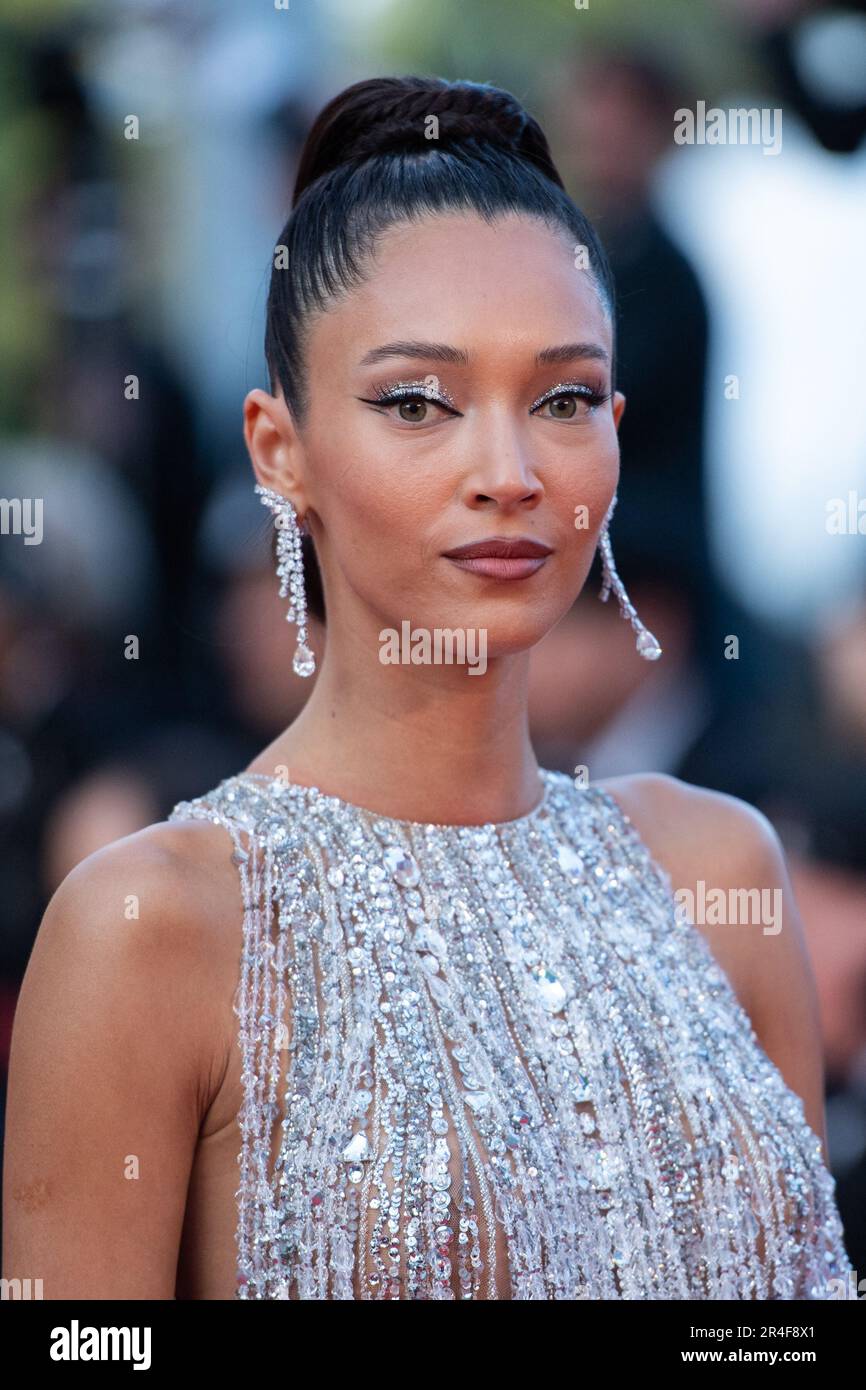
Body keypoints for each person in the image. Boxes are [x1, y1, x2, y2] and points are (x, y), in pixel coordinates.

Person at [2, 75, 856, 1301]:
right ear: (276, 449)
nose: (506, 469)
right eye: (417, 401)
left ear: (615, 427)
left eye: (561, 399)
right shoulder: (153, 931)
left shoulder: (718, 872)